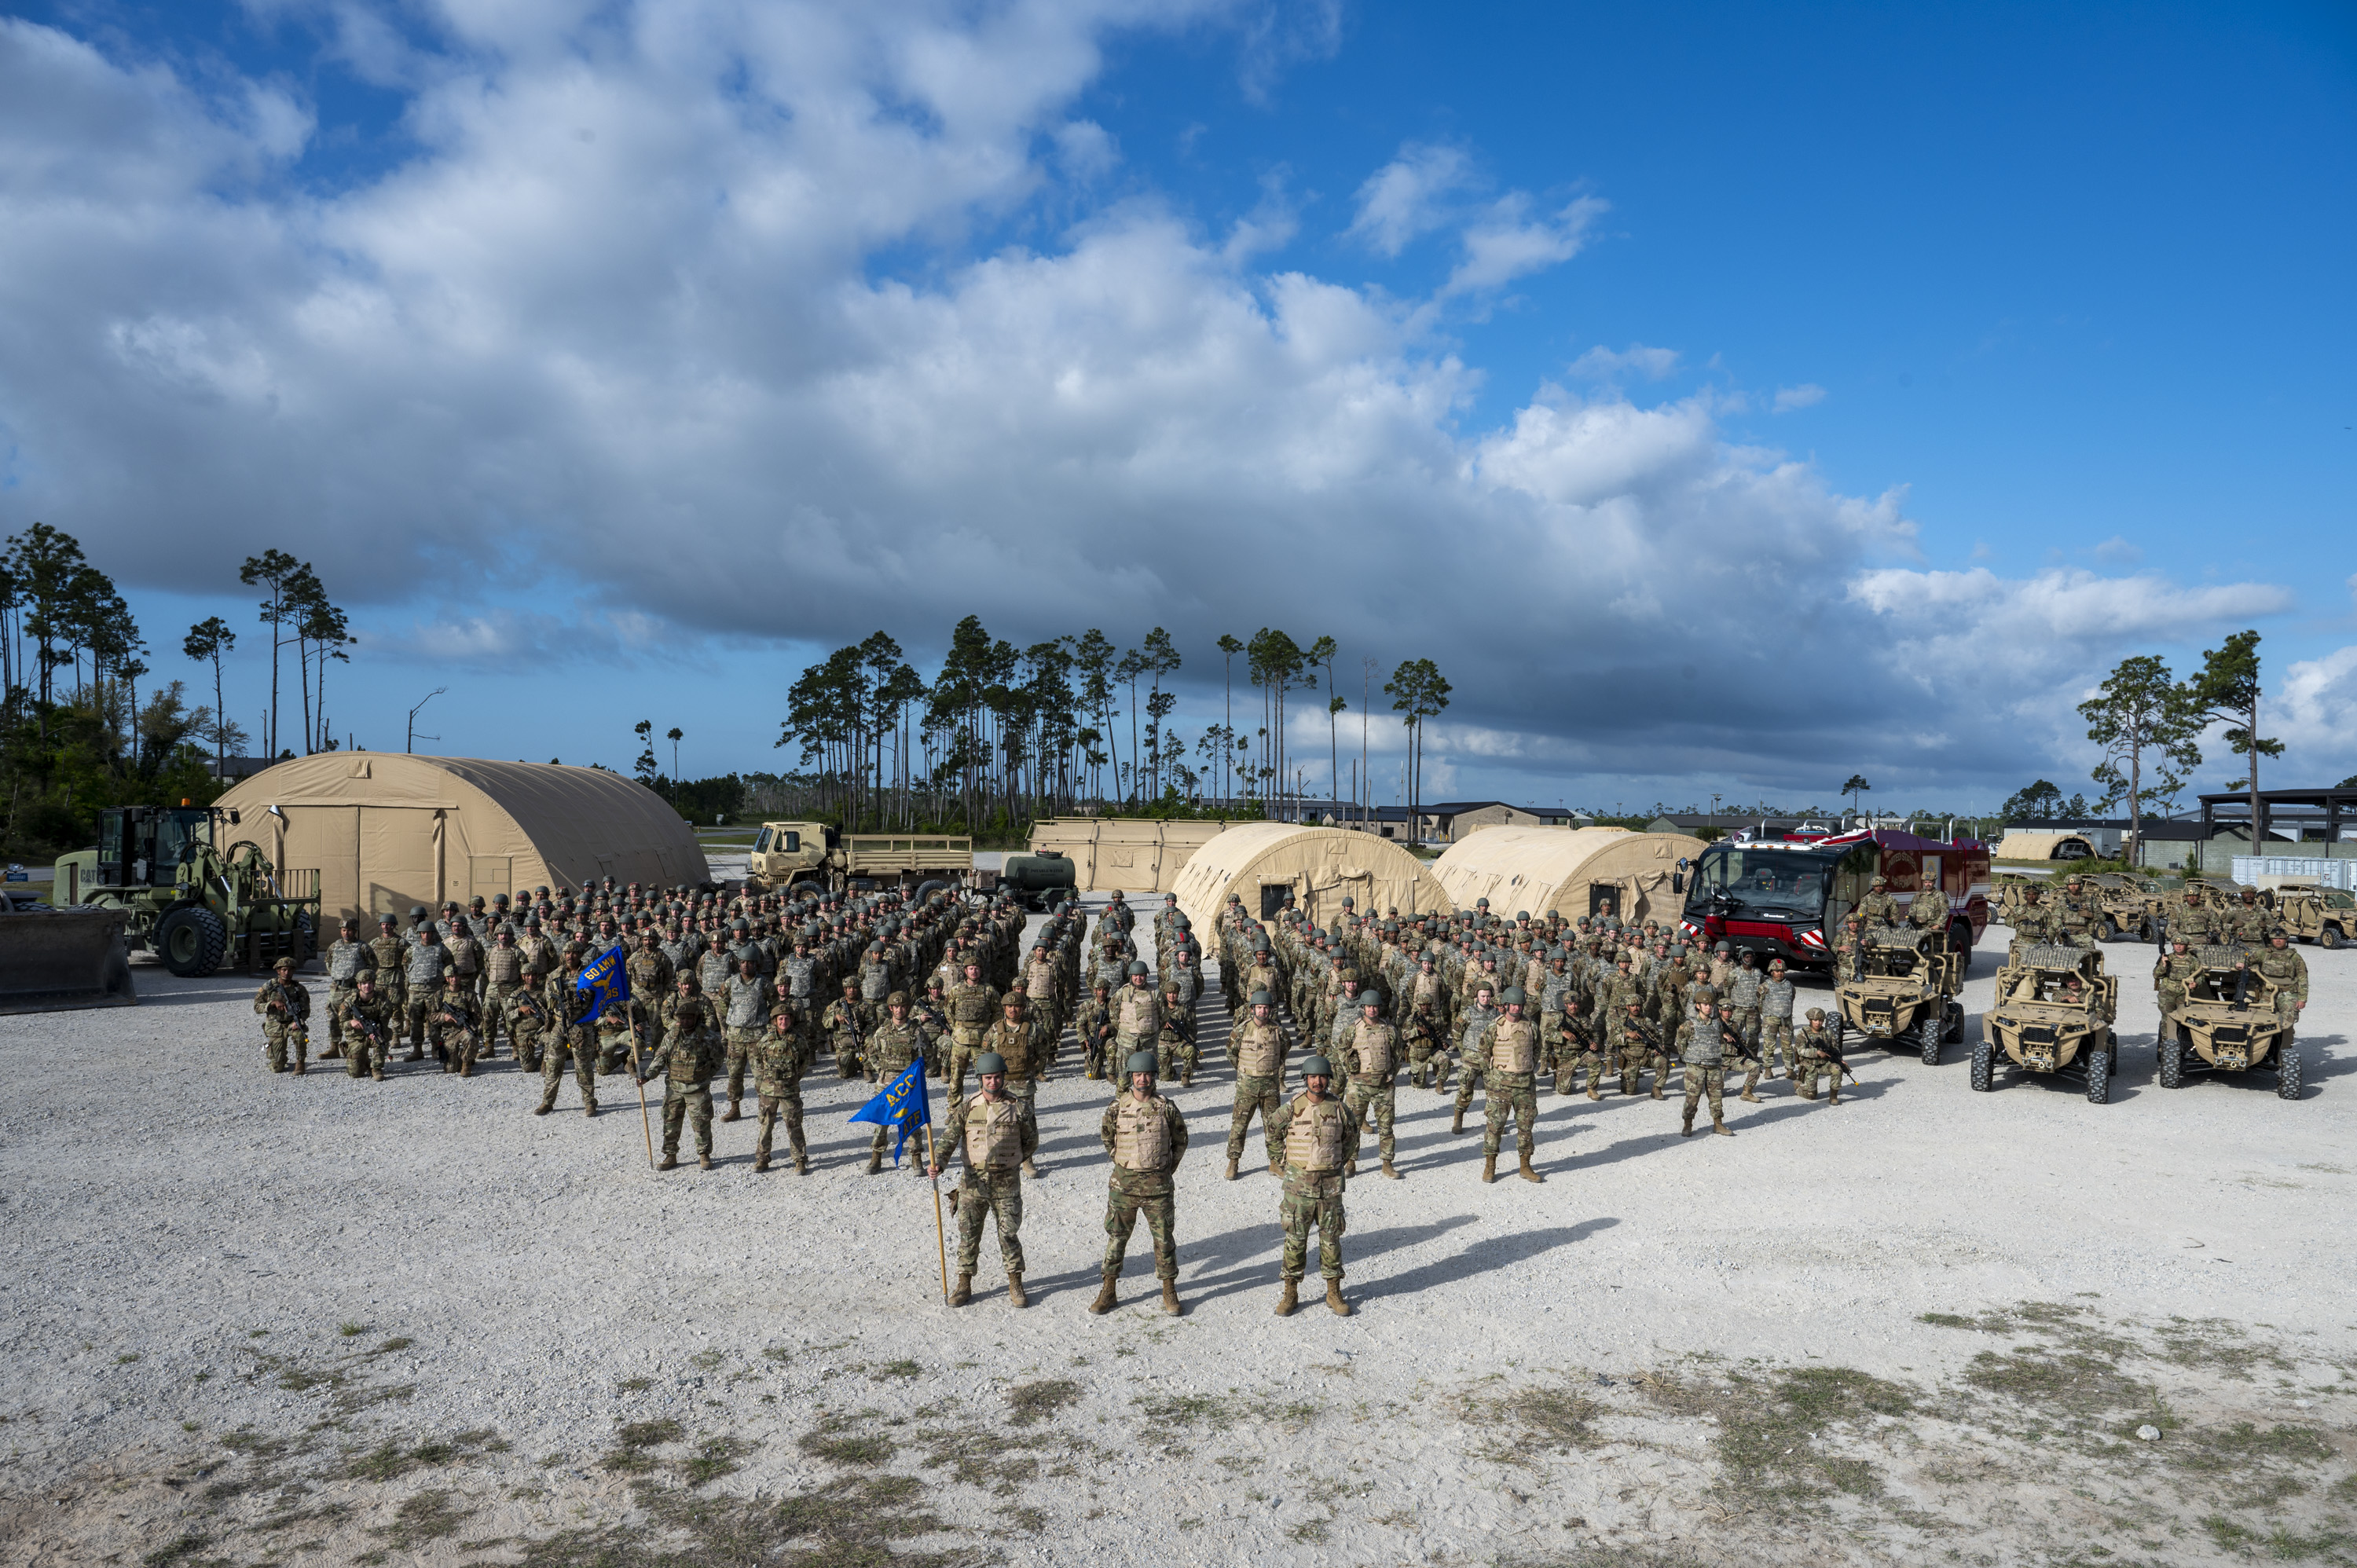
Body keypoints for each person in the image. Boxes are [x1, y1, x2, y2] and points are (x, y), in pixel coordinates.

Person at [933, 1051, 1035, 1309]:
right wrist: (939, 1163)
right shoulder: (967, 1107)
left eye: (997, 1077)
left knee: (1009, 1234)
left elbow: (1031, 1140)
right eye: (988, 1078)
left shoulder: (1019, 1107)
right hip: (972, 1182)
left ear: (1003, 1078)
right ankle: (964, 1284)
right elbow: (949, 1138)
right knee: (968, 1235)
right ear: (980, 1079)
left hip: (1007, 1182)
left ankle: (1015, 1283)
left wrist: (1010, 1160)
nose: (993, 1082)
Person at [1091, 1050, 1189, 1317]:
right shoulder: (1117, 1107)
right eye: (1137, 1074)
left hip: (1158, 1189)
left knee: (1164, 1241)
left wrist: (1167, 1170)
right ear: (1130, 1077)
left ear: (1154, 1076)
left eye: (1147, 1074)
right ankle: (1108, 1290)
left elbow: (1181, 1141)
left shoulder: (1166, 1107)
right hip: (1124, 1188)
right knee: (1116, 1240)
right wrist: (1119, 1160)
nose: (1142, 1079)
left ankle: (1169, 1290)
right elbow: (1107, 1137)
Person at [1266, 1053, 1359, 1317]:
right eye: (1312, 1077)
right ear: (1305, 1079)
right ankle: (1290, 1293)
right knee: (1295, 1241)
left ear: (1328, 1079)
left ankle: (1333, 1292)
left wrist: (1337, 1163)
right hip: (1298, 1190)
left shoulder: (1340, 1108)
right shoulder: (1293, 1107)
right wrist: (1282, 1162)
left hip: (1330, 1189)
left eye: (1321, 1077)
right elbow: (1272, 1130)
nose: (1317, 1082)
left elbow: (1351, 1138)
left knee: (1331, 1242)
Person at [640, 975, 723, 1170]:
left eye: (688, 1018)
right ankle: (670, 1156)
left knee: (701, 1124)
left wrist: (705, 1076)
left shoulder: (708, 1037)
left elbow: (718, 1060)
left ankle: (704, 1155)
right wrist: (647, 1076)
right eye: (681, 1017)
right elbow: (660, 1057)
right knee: (671, 1123)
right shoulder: (672, 1035)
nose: (684, 1021)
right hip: (675, 1088)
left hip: (698, 1089)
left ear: (696, 1018)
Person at [1479, 987, 1543, 1183]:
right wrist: (1491, 1081)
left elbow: (1537, 1051)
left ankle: (1525, 1166)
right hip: (1501, 1086)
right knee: (1495, 1126)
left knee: (1526, 1127)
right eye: (1513, 1004)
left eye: (1520, 1005)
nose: (1516, 1008)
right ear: (1505, 1005)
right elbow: (1484, 1053)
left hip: (1525, 1086)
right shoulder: (1494, 1027)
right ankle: (1490, 1166)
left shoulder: (1531, 1026)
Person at [1226, 989, 1288, 1181]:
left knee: (1274, 1126)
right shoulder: (1241, 1030)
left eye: (1266, 1008)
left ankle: (1276, 1161)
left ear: (1270, 1009)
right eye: (1259, 1007)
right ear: (1252, 1009)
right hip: (1247, 1088)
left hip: (1270, 1088)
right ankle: (1234, 1161)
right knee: (1239, 1125)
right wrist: (1245, 1071)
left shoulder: (1279, 1031)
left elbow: (1284, 1052)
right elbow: (1231, 1053)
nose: (1262, 1011)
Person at [863, 992, 927, 1174]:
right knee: (882, 1123)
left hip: (908, 1086)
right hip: (886, 1086)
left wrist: (917, 1074)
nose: (899, 1009)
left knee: (912, 1122)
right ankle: (876, 1159)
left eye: (903, 1006)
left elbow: (928, 1054)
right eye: (896, 1007)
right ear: (890, 1008)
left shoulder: (916, 1031)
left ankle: (916, 1159)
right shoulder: (882, 1031)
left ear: (908, 1008)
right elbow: (871, 1052)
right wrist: (881, 1070)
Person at [1343, 994, 1402, 1180]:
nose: (1372, 1010)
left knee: (1386, 1127)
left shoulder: (1389, 1030)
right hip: (1358, 1086)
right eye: (1369, 1007)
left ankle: (1387, 1163)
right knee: (1353, 1125)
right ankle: (1350, 1161)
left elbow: (1398, 1054)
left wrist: (1390, 1075)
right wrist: (1349, 1071)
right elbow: (1341, 1051)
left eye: (1375, 1006)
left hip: (1383, 1086)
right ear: (1363, 1008)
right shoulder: (1353, 1030)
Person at [752, 1004, 811, 1174]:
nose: (783, 1021)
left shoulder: (798, 1040)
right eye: (780, 1019)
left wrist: (793, 1079)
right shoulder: (766, 1040)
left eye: (786, 1018)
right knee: (766, 1125)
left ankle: (799, 1159)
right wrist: (764, 1079)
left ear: (791, 1020)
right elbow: (756, 1058)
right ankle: (762, 1159)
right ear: (775, 1021)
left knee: (794, 1124)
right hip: (768, 1091)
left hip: (789, 1090)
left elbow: (804, 1062)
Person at [1677, 990, 1736, 1137]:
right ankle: (1688, 1125)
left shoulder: (1717, 1024)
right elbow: (1680, 1044)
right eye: (1705, 1005)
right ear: (1697, 1006)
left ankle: (1718, 1124)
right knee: (1692, 1098)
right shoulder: (1689, 1025)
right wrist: (1691, 1058)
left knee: (1716, 1098)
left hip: (1714, 1066)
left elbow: (1719, 1041)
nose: (1708, 1007)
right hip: (1695, 1067)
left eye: (1710, 1005)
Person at [251, 957, 313, 1075]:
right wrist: (272, 1004)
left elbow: (306, 1010)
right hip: (276, 1025)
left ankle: (300, 1063)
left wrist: (298, 1020)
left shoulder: (299, 989)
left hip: (292, 1023)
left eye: (290, 970)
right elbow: (257, 1007)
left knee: (300, 1035)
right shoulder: (269, 987)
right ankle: (280, 1058)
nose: (287, 973)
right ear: (278, 971)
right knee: (277, 1069)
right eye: (284, 970)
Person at [321, 918, 371, 1060]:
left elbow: (373, 965)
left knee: (356, 1019)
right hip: (337, 988)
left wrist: (362, 983)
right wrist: (337, 976)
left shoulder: (362, 947)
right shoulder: (334, 946)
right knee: (333, 1018)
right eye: (344, 930)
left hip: (354, 990)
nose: (346, 933)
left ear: (355, 931)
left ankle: (355, 1048)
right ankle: (334, 1048)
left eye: (349, 930)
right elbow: (328, 962)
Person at [335, 976, 398, 1081]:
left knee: (381, 1040)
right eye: (364, 983)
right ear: (359, 986)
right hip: (357, 1036)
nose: (367, 986)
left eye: (370, 983)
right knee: (355, 1073)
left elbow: (384, 1022)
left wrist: (377, 1031)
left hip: (373, 1032)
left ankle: (376, 1068)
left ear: (374, 984)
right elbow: (341, 1024)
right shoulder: (350, 1002)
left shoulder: (382, 1000)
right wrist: (351, 1022)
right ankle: (364, 1060)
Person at [1794, 1007, 1844, 1104]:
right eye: (1815, 1020)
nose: (1818, 1023)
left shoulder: (1828, 1033)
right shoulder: (1803, 1033)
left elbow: (1835, 1049)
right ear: (1810, 1020)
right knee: (1811, 1096)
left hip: (1824, 1064)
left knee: (1837, 1069)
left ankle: (1833, 1096)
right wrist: (1816, 1052)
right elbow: (1800, 1051)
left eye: (1821, 1020)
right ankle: (1798, 1086)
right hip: (1809, 1066)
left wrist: (1840, 1060)